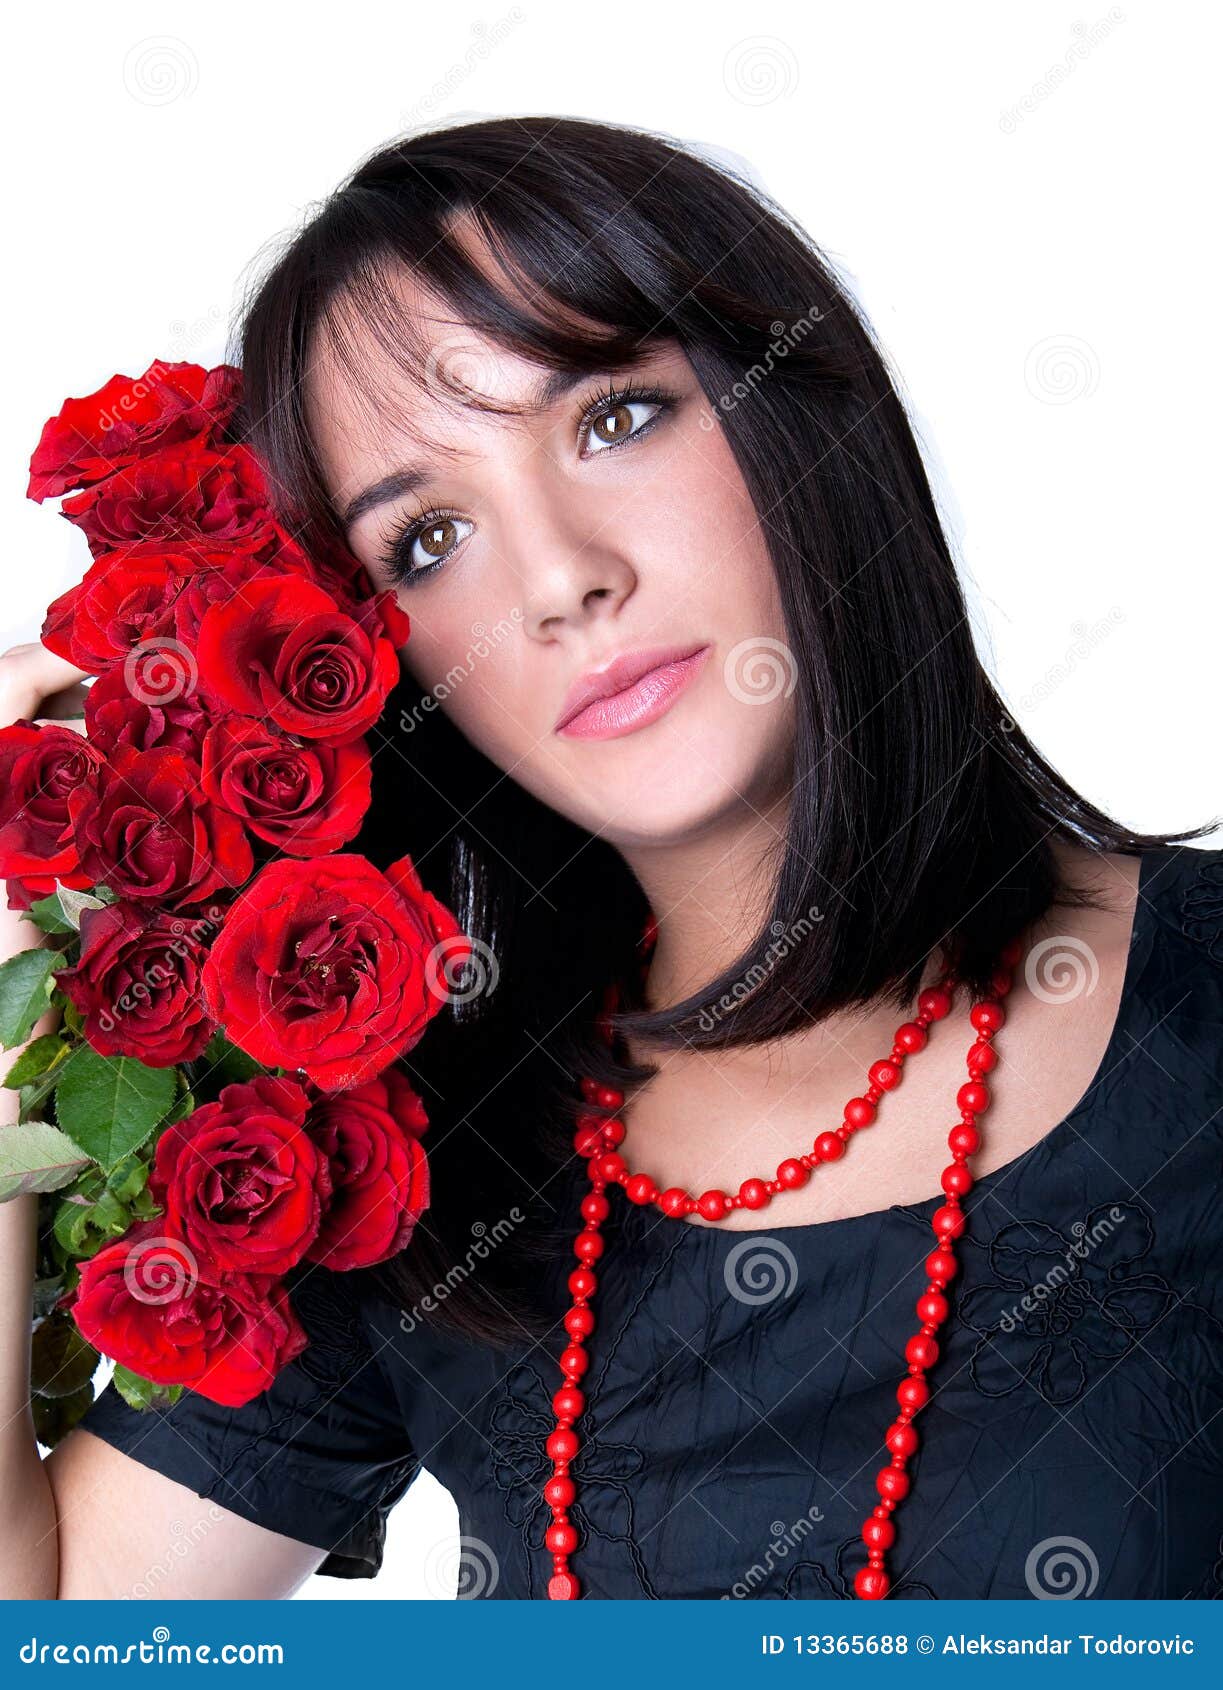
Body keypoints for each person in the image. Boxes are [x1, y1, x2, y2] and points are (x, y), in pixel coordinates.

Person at [2, 116, 1220, 1601]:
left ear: (794, 410)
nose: (565, 575)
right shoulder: (417, 1169)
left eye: (613, 421)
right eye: (431, 537)